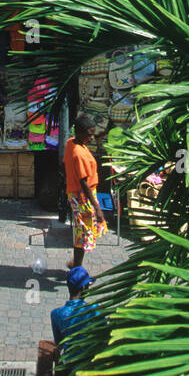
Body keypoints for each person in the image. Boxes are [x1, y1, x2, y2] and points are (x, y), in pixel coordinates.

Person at [63, 113, 107, 268]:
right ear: (80, 133)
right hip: (82, 196)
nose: (92, 138)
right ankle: (77, 268)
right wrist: (97, 207)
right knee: (82, 233)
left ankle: (76, 264)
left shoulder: (71, 143)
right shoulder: (79, 154)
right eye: (89, 135)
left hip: (77, 194)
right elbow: (84, 183)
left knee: (82, 231)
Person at [50, 266, 101, 365]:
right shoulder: (95, 310)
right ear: (83, 287)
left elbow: (59, 342)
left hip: (70, 363)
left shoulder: (56, 314)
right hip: (91, 362)